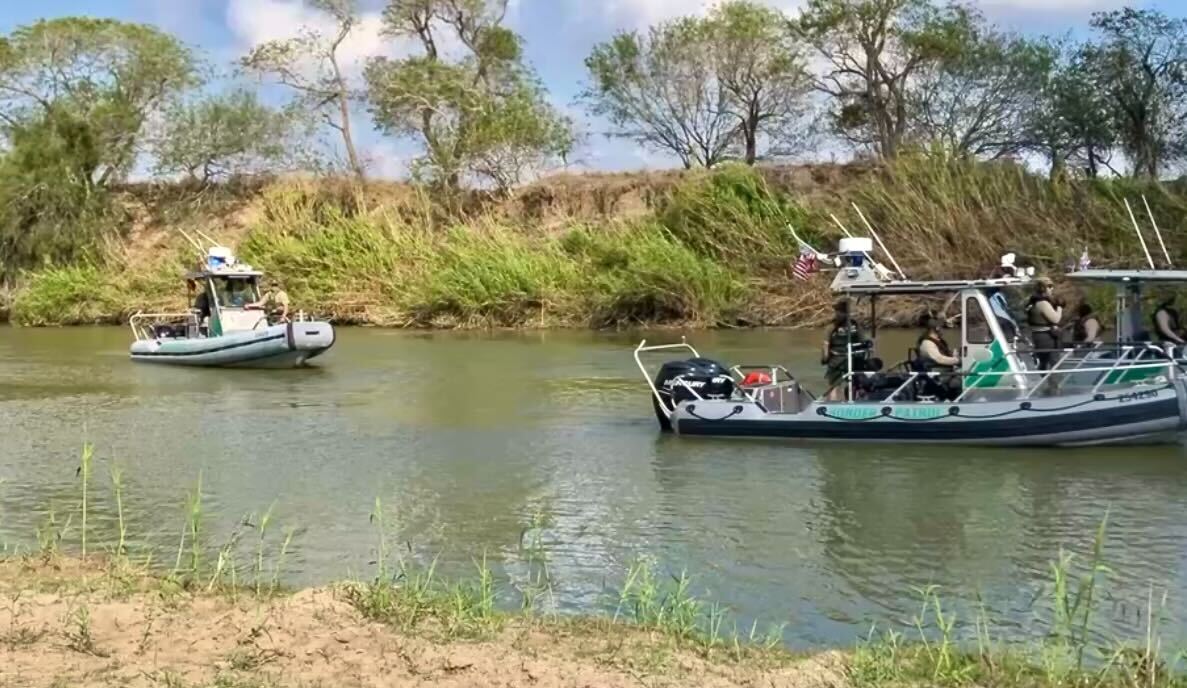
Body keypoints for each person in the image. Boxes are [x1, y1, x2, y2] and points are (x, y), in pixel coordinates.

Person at [821, 301, 867, 401]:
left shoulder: (832, 326)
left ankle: (834, 407)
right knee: (856, 383)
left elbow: (826, 344)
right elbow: (863, 340)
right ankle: (856, 401)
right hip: (854, 358)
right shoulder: (855, 325)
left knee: (833, 386)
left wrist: (825, 358)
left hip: (837, 360)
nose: (837, 313)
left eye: (838, 311)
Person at [914, 312, 961, 400]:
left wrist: (954, 355)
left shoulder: (938, 341)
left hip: (946, 373)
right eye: (943, 327)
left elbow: (944, 355)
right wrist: (958, 360)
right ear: (937, 328)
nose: (945, 330)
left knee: (964, 375)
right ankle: (960, 402)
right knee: (962, 381)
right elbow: (939, 359)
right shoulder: (927, 343)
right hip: (938, 377)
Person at [1025, 281, 1063, 370]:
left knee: (1043, 362)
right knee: (1053, 363)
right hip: (1046, 337)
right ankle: (1053, 382)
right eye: (1049, 286)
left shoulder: (1032, 302)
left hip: (1037, 336)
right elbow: (1056, 319)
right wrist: (1059, 307)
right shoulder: (1042, 303)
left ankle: (1044, 379)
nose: (1052, 288)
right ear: (1043, 289)